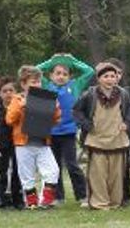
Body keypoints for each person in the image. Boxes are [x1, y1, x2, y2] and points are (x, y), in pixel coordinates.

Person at [36, 53, 94, 206]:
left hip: (69, 133)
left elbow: (89, 71)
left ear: (69, 76)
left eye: (65, 74)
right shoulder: (46, 86)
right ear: (51, 75)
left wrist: (71, 60)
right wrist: (53, 60)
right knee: (55, 167)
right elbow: (35, 70)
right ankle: (57, 197)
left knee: (72, 164)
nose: (61, 77)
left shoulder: (74, 86)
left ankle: (82, 196)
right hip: (51, 133)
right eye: (57, 73)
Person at [72, 62, 130, 210]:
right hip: (96, 139)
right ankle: (99, 202)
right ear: (99, 78)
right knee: (97, 174)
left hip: (118, 140)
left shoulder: (123, 94)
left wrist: (127, 123)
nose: (110, 79)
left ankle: (115, 202)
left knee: (116, 175)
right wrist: (87, 125)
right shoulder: (90, 94)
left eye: (113, 76)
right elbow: (77, 111)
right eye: (106, 76)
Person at [5, 65, 61, 209]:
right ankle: (31, 202)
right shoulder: (17, 99)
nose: (37, 85)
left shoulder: (45, 98)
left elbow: (55, 121)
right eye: (33, 82)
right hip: (23, 143)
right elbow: (9, 120)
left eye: (38, 82)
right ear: (23, 84)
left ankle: (46, 200)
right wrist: (21, 107)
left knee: (53, 170)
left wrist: (54, 109)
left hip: (42, 141)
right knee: (26, 175)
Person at [0, 79, 24, 209]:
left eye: (11, 90)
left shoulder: (20, 106)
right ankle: (4, 199)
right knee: (3, 171)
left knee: (17, 171)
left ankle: (18, 198)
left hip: (18, 142)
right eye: (5, 91)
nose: (8, 94)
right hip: (2, 144)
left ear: (16, 92)